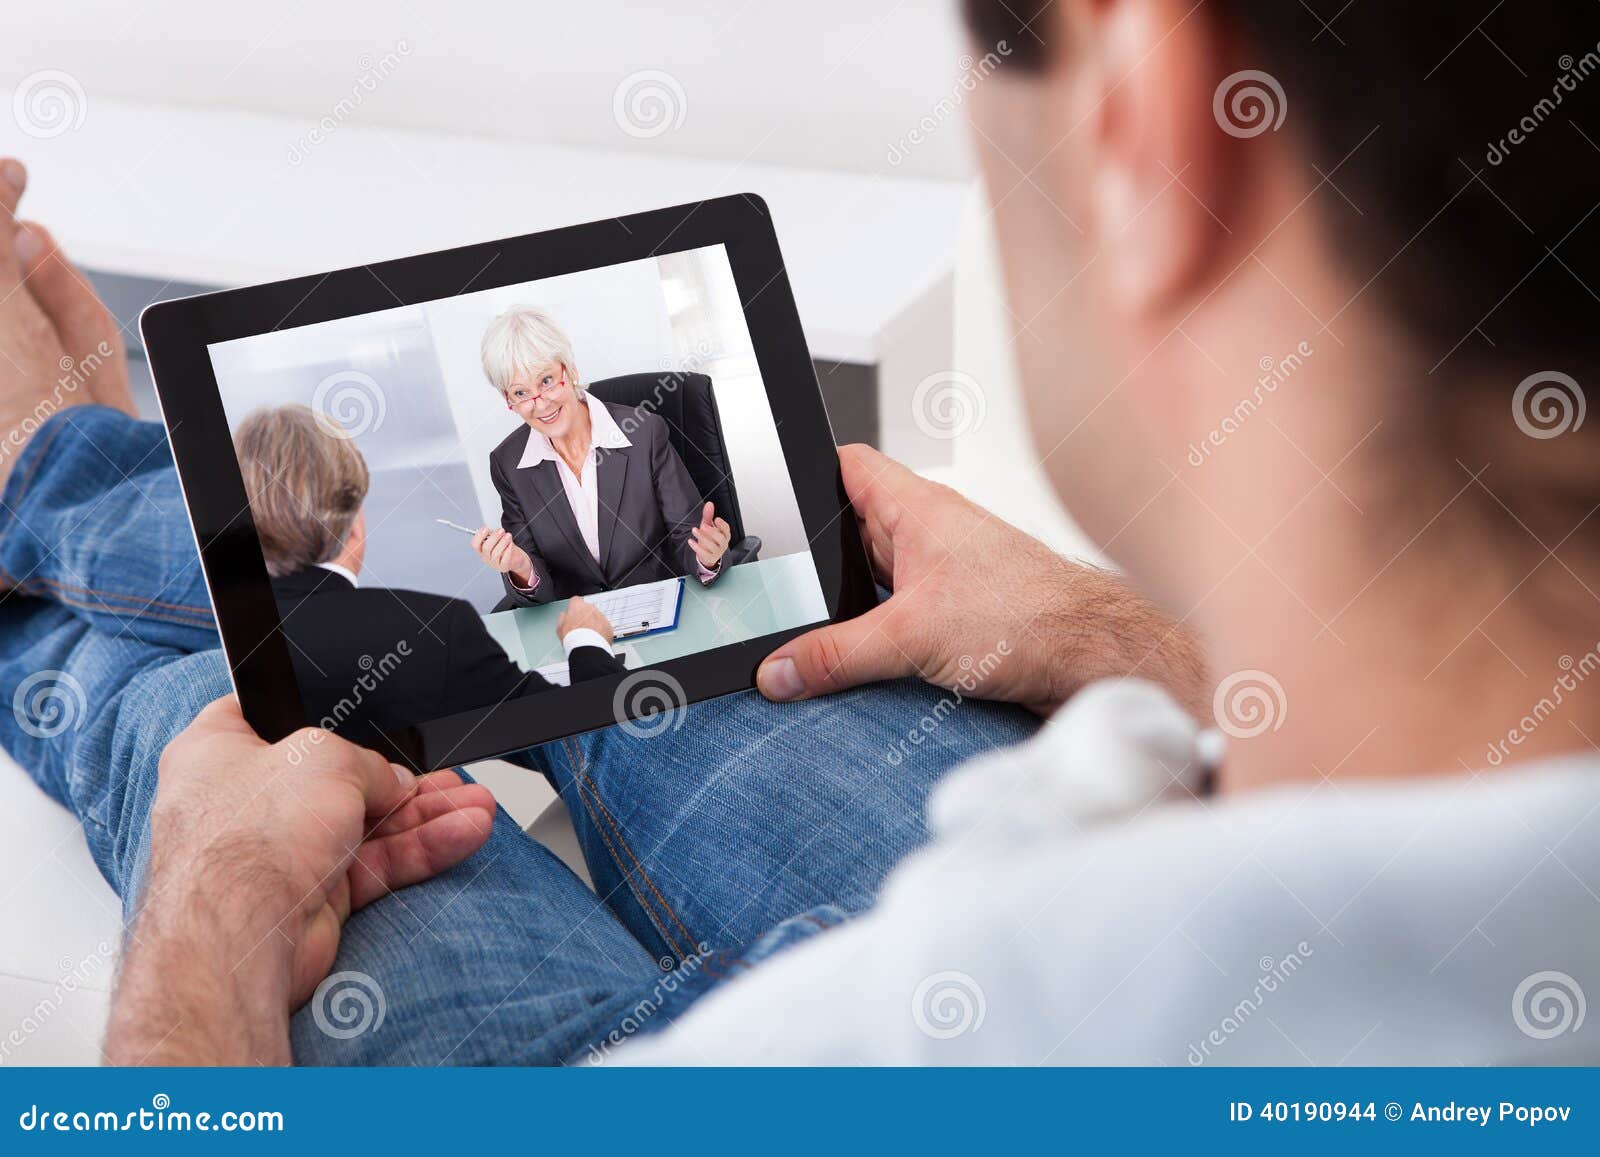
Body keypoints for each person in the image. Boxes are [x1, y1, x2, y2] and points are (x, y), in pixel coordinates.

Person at [1, 0, 1598, 1067]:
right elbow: (539, 617)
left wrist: (205, 924)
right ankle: (54, 474)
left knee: (207, 731)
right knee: (497, 677)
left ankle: (41, 488)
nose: (554, 392)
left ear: (1147, 122)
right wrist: (1148, 646)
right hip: (811, 747)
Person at [234, 403, 625, 758]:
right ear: (355, 524)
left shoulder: (227, 638)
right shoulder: (432, 629)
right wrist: (585, 639)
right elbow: (582, 742)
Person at [469, 305, 732, 606]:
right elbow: (540, 589)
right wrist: (520, 567)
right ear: (508, 400)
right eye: (520, 393)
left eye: (546, 381)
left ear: (570, 370)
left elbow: (689, 539)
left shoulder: (644, 433)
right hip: (581, 627)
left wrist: (708, 558)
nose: (540, 404)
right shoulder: (508, 464)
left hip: (660, 610)